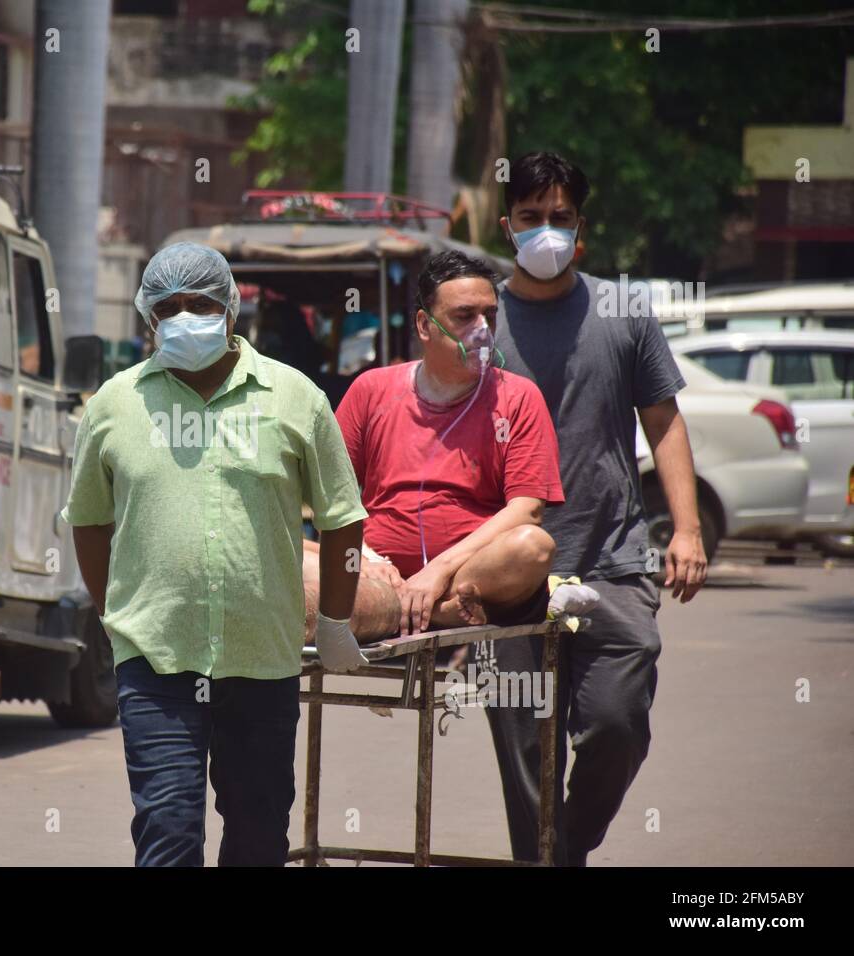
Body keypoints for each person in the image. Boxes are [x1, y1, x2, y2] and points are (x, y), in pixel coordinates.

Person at [62, 241, 369, 867]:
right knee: (168, 832)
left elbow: (342, 521)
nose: (184, 318)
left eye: (199, 303)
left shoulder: (294, 399)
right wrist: (114, 612)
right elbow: (90, 522)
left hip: (261, 660)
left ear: (230, 308)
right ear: (148, 319)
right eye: (168, 308)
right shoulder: (114, 406)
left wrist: (335, 623)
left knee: (258, 836)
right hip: (155, 659)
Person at [488, 152, 708, 865]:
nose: (545, 232)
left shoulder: (623, 313)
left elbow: (664, 422)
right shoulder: (479, 320)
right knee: (524, 751)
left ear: (580, 227)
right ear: (506, 226)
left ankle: (568, 849)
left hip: (613, 562)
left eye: (559, 218)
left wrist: (688, 529)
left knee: (619, 723)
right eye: (530, 219)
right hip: (507, 572)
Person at [334, 250, 594, 638]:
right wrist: (366, 559)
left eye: (489, 316)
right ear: (425, 324)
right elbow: (330, 497)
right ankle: (434, 612)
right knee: (282, 544)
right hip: (375, 571)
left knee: (532, 547)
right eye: (464, 316)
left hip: (466, 572)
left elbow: (527, 510)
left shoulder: (518, 397)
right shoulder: (371, 389)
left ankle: (411, 605)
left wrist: (437, 571)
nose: (482, 329)